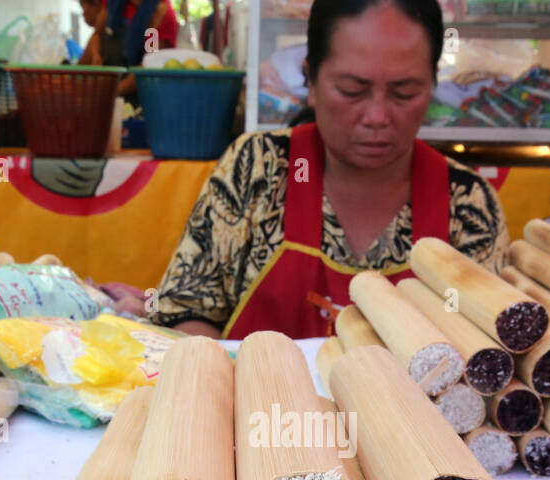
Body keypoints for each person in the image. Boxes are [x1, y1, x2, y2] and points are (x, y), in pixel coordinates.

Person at [148, 0, 509, 339]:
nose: (377, 117)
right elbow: (184, 313)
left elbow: (488, 348)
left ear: (432, 86)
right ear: (312, 81)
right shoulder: (259, 169)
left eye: (404, 92)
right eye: (352, 90)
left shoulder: (468, 204)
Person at [80, 0, 179, 99]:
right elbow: (97, 34)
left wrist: (108, 93)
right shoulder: (112, 3)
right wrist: (95, 55)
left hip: (136, 99)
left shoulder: (161, 14)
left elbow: (148, 65)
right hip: (106, 88)